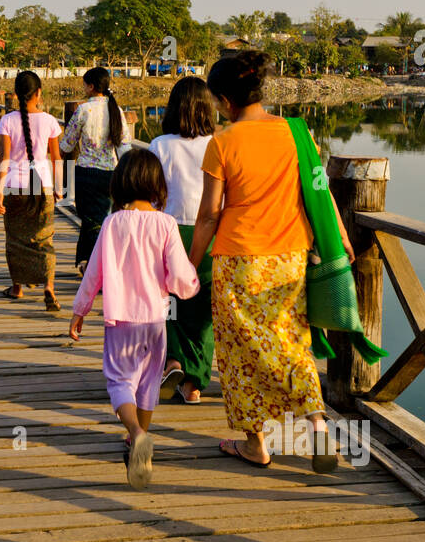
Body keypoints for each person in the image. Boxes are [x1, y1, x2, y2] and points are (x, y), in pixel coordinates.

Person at [187, 51, 354, 473]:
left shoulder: (222, 143)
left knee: (240, 351)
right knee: (291, 342)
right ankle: (318, 428)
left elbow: (208, 215)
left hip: (238, 258)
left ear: (224, 101)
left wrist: (190, 263)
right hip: (289, 259)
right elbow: (320, 190)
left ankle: (257, 445)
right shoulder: (298, 133)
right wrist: (341, 234)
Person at [69, 148, 199, 489]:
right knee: (147, 384)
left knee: (119, 381)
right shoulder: (166, 223)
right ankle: (141, 437)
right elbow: (181, 274)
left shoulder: (112, 223)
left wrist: (79, 310)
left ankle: (136, 433)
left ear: (120, 184)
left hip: (121, 320)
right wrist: (188, 286)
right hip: (156, 321)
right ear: (157, 185)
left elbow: (93, 273)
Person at [148, 76, 215, 405]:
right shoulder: (219, 143)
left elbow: (152, 194)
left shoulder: (160, 145)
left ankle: (172, 359)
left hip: (169, 230)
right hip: (212, 233)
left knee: (168, 303)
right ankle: (195, 385)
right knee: (203, 310)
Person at [0, 70, 64, 311]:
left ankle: (17, 287)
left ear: (15, 94)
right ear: (38, 93)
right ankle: (49, 287)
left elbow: (4, 159)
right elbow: (56, 158)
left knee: (15, 239)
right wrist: (59, 187)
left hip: (15, 186)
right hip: (42, 186)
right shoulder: (50, 121)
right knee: (44, 238)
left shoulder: (7, 121)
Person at [59, 66, 132, 273]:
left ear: (91, 87)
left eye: (84, 84)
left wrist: (55, 156)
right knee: (104, 219)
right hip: (111, 173)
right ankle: (96, 264)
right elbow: (124, 145)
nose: (83, 88)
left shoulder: (83, 110)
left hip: (86, 173)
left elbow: (68, 144)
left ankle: (93, 266)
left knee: (90, 219)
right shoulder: (116, 111)